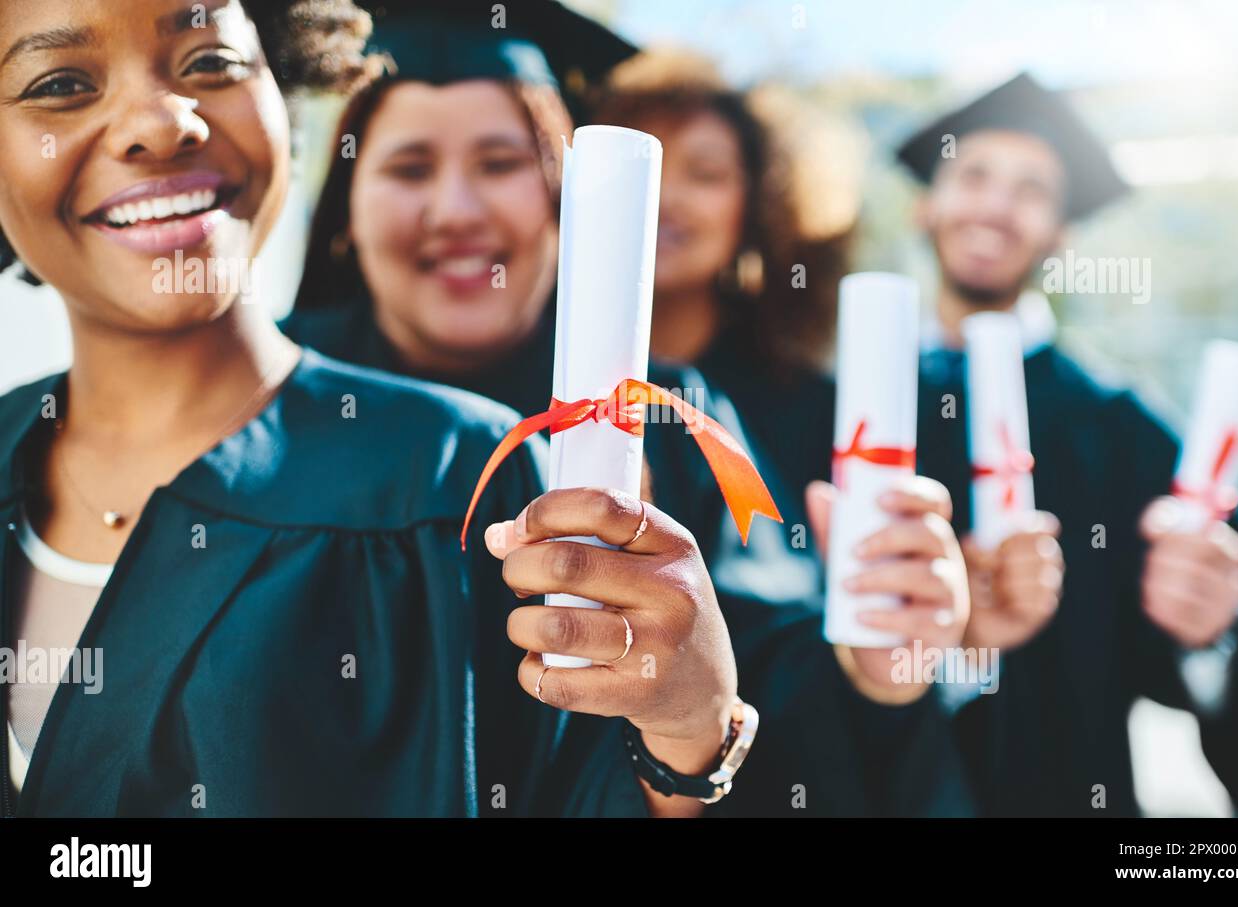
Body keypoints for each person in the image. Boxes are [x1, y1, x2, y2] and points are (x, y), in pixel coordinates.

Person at [0, 0, 753, 818]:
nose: (158, 122)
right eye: (61, 81)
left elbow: (585, 790)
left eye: (210, 63)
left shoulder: (466, 472)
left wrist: (690, 731)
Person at [283, 5, 975, 815]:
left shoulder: (672, 416)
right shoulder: (259, 408)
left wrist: (868, 671)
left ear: (560, 197)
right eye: (408, 167)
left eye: (501, 161)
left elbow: (776, 688)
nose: (456, 208)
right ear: (345, 209)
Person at [593, 51, 1064, 760]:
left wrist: (944, 630)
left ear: (758, 210)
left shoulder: (823, 414)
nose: (667, 196)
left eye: (707, 174)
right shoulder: (536, 394)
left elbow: (883, 661)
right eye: (644, 163)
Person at [896, 71, 1238, 816]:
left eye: (1030, 189)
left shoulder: (1113, 417)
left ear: (1062, 232)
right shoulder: (849, 403)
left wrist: (1211, 627)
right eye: (975, 174)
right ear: (928, 205)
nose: (995, 204)